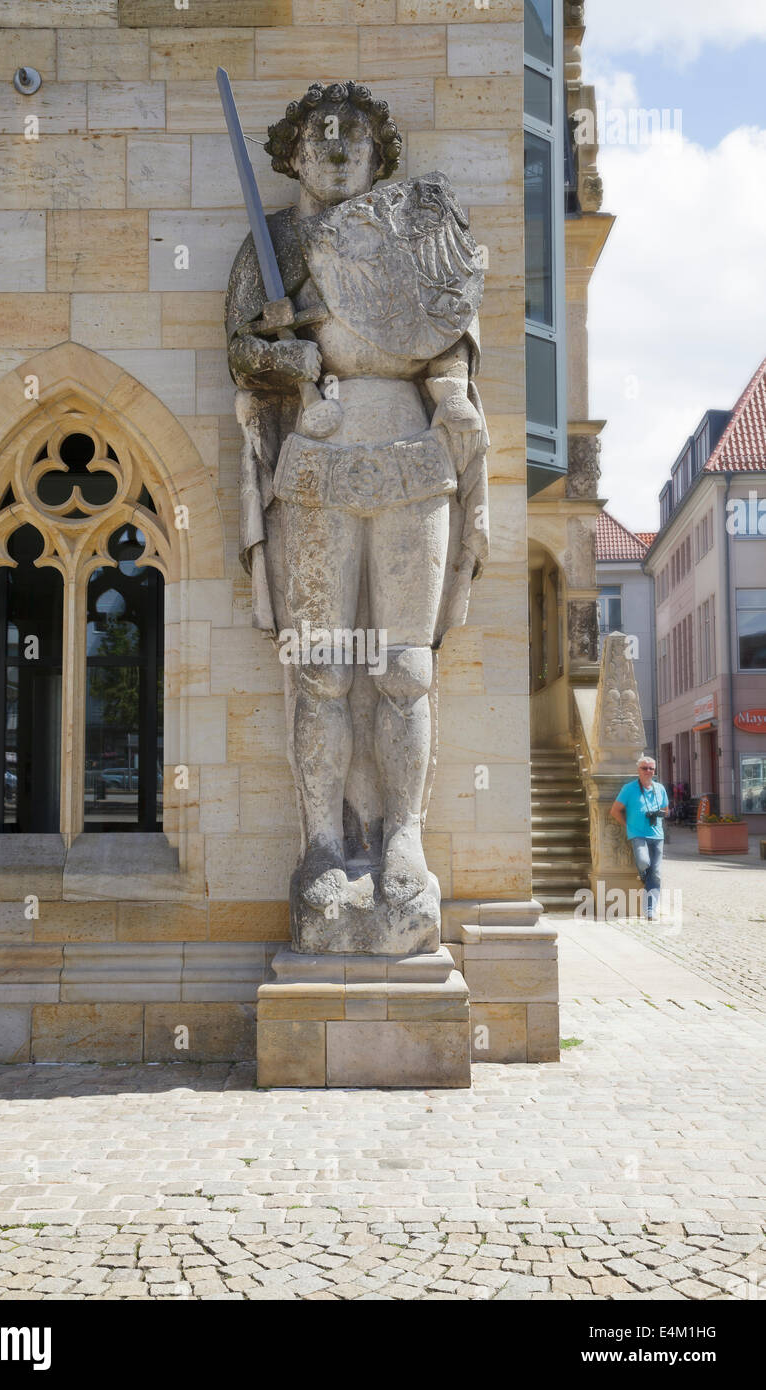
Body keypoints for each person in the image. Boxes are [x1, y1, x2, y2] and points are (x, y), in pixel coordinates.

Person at [226, 80, 489, 918]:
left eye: (355, 138)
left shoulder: (408, 238)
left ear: (379, 157)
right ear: (295, 154)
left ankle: (403, 837)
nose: (337, 148)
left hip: (412, 454)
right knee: (324, 672)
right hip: (318, 454)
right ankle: (323, 848)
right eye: (321, 135)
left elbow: (443, 331)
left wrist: (451, 390)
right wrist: (291, 356)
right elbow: (242, 350)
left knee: (406, 670)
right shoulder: (272, 244)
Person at [610, 757, 669, 920]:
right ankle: (645, 877)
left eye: (651, 769)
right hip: (638, 834)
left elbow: (666, 809)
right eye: (645, 768)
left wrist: (661, 814)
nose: (648, 771)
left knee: (656, 874)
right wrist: (628, 826)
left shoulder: (660, 788)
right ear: (638, 770)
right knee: (643, 862)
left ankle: (650, 911)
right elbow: (615, 811)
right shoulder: (629, 789)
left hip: (657, 835)